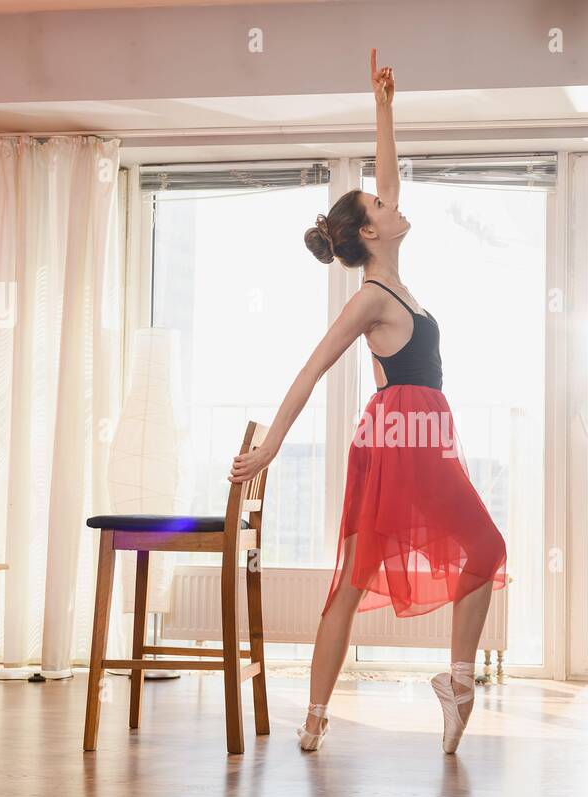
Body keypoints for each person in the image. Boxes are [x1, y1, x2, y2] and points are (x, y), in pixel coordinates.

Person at [229, 49, 506, 755]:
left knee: (461, 553)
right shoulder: (369, 299)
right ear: (370, 233)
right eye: (382, 207)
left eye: (386, 200)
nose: (392, 203)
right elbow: (311, 370)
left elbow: (386, 179)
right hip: (398, 440)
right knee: (369, 571)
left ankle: (453, 683)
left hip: (421, 434)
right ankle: (327, 711)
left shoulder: (398, 277)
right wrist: (273, 445)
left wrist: (383, 107)